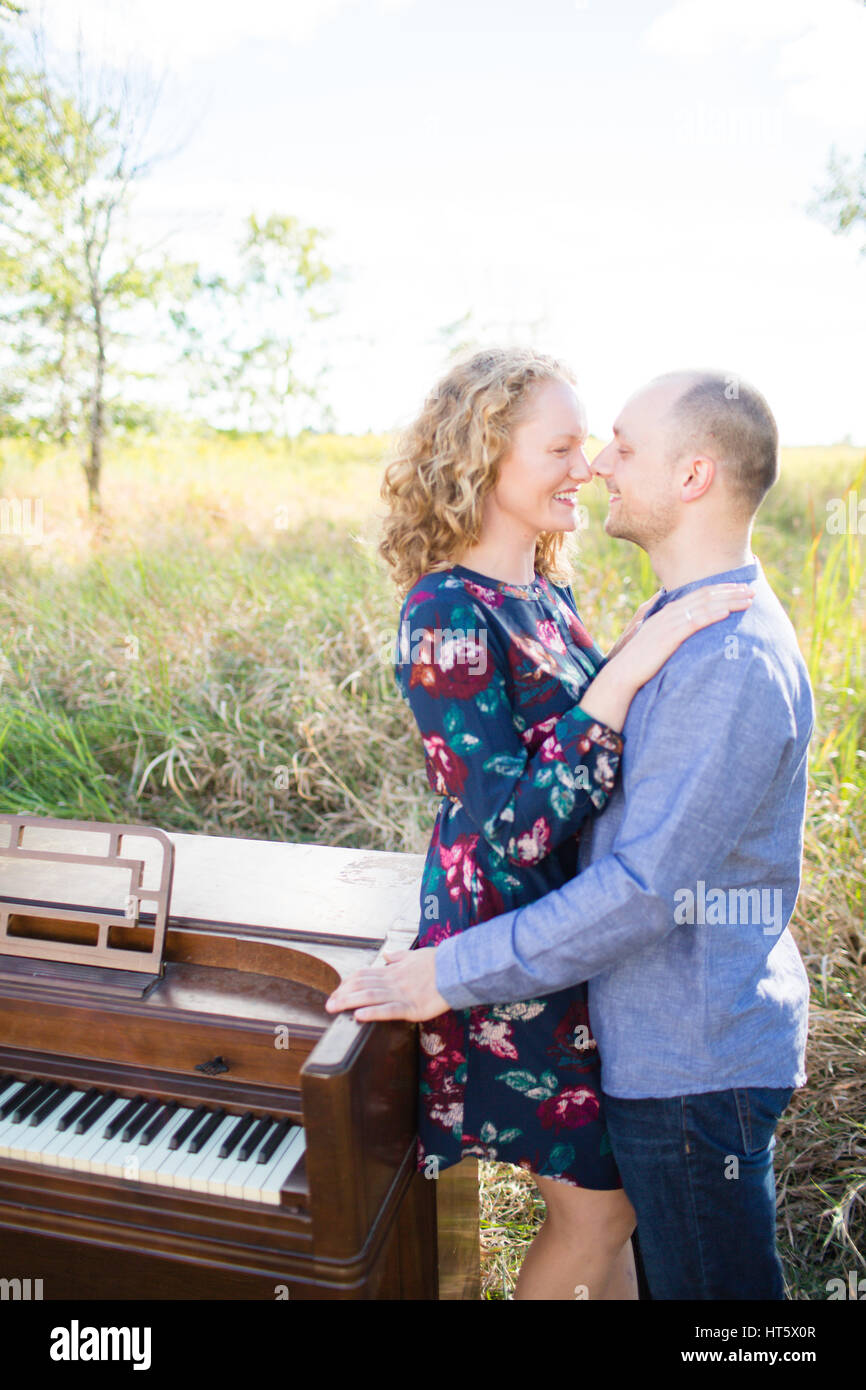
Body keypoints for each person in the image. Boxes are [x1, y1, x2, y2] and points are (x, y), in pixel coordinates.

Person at [326, 367, 813, 1302]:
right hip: (516, 939)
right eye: (562, 447)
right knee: (601, 1212)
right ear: (482, 461)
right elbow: (507, 832)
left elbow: (633, 810)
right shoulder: (445, 612)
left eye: (601, 444)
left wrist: (630, 661)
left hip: (582, 943)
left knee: (616, 1210)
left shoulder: (547, 594)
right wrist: (623, 676)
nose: (587, 466)